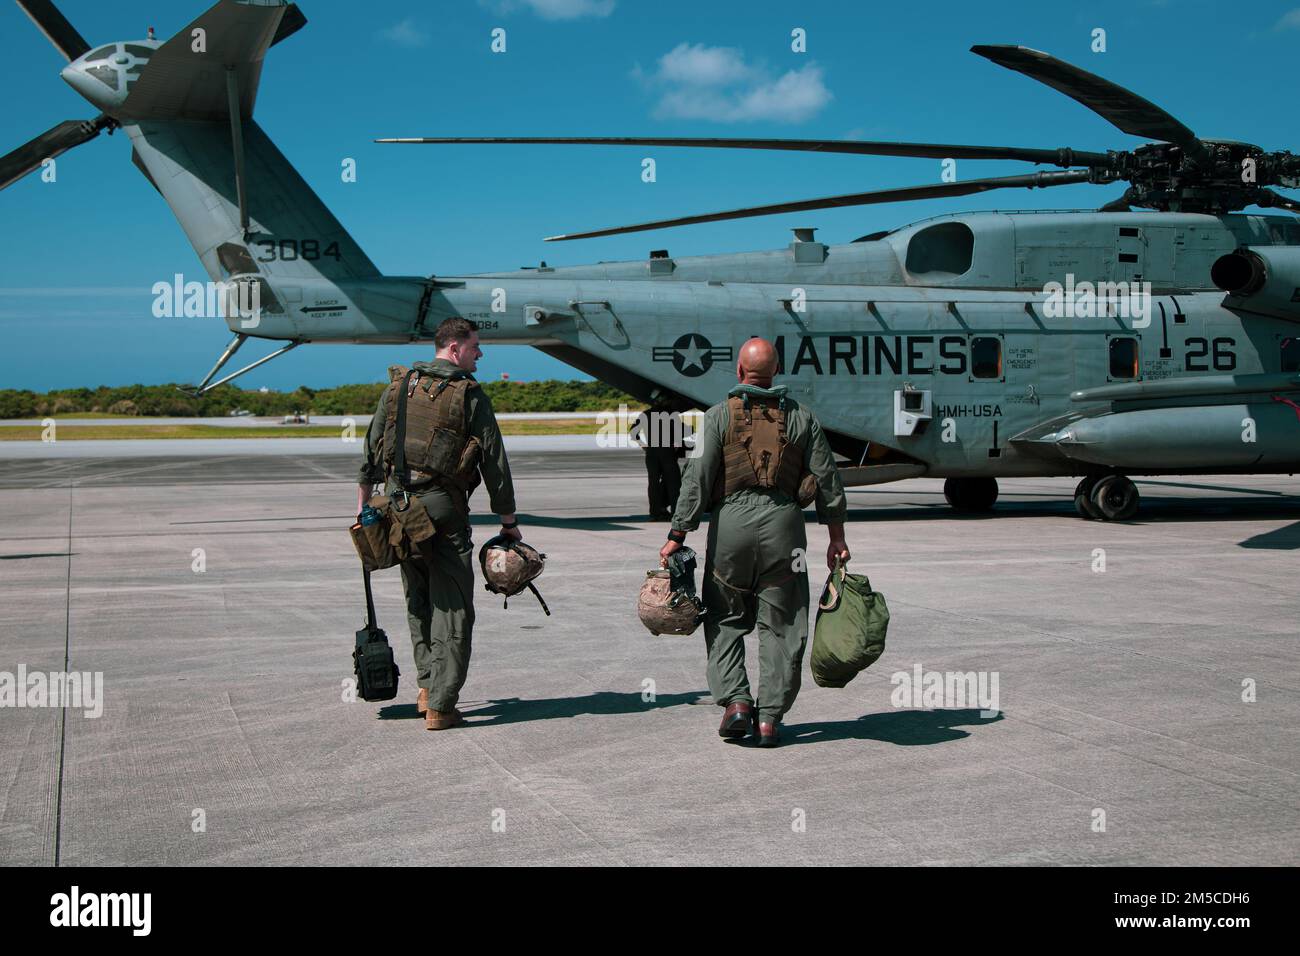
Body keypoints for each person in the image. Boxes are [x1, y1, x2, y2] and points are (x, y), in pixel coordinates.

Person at [660, 337, 849, 748]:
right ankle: (770, 718)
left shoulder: (716, 418)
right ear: (775, 372)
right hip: (787, 530)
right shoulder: (802, 418)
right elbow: (828, 481)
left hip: (730, 530)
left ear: (741, 374)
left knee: (724, 617)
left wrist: (678, 533)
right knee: (783, 622)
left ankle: (737, 703)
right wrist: (836, 537)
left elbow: (697, 479)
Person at [357, 317, 521, 731]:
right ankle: (442, 706)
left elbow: (371, 451)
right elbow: (494, 460)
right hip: (441, 511)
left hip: (396, 509)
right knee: (452, 606)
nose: (480, 353)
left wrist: (365, 509)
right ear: (454, 349)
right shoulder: (469, 394)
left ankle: (428, 687)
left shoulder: (397, 387)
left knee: (418, 597)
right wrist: (508, 520)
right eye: (475, 346)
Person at [637, 397, 687, 520]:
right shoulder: (670, 414)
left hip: (652, 452)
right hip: (667, 451)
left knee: (653, 483)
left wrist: (643, 445)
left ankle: (655, 513)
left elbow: (633, 432)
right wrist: (677, 445)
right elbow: (680, 432)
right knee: (674, 483)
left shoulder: (646, 414)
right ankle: (676, 512)